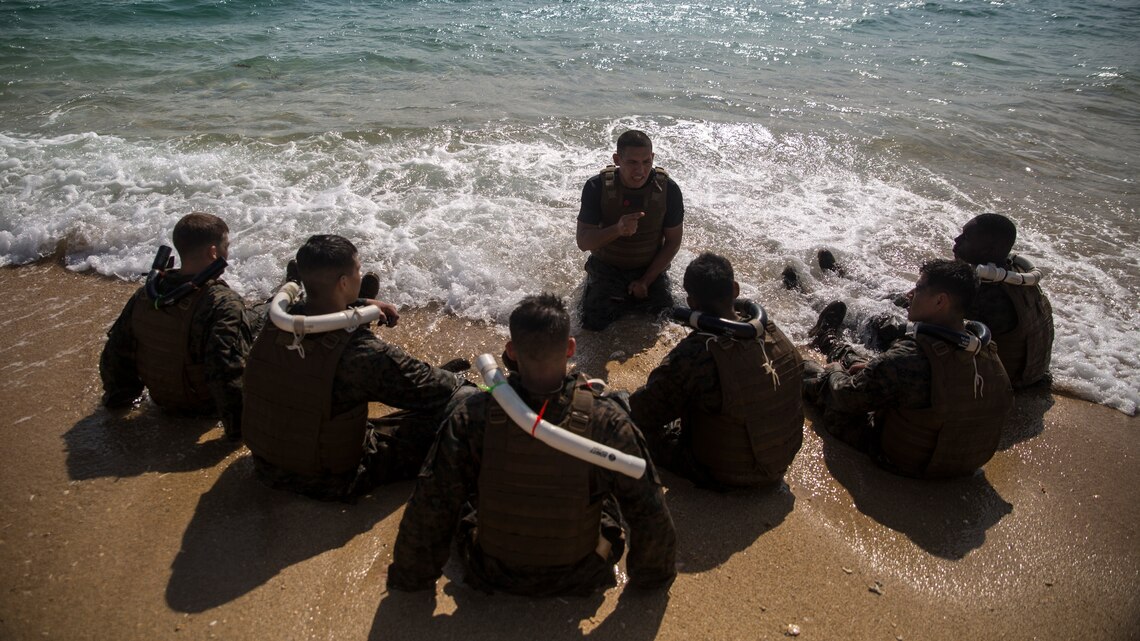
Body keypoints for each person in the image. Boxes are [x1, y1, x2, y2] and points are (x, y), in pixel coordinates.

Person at [387, 293, 677, 596]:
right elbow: (649, 511)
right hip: (582, 573)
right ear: (570, 348)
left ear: (511, 352)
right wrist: (652, 581)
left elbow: (432, 504)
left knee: (471, 493)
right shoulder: (606, 420)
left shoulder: (473, 415)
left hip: (491, 571)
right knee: (606, 492)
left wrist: (411, 577)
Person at [241, 234, 474, 500]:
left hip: (268, 464)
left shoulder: (271, 322)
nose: (360, 273)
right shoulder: (362, 354)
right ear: (343, 282)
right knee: (464, 404)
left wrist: (360, 304)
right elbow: (441, 389)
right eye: (358, 269)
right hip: (328, 478)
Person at [803, 259, 1014, 479]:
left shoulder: (908, 358)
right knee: (870, 368)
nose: (910, 294)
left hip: (905, 460)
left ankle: (828, 343)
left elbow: (846, 397)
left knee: (813, 374)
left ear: (940, 301)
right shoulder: (984, 350)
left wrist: (834, 370)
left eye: (919, 288)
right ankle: (830, 342)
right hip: (964, 462)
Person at [628, 253, 805, 490]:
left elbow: (644, 411)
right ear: (735, 289)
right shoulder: (773, 332)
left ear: (691, 303)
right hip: (779, 462)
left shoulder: (698, 353)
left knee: (624, 414)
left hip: (725, 473)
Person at [99, 212, 258, 440]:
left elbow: (115, 355)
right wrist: (239, 431)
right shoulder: (223, 303)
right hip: (203, 408)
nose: (227, 252)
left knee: (257, 315)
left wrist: (121, 400)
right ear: (213, 252)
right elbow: (226, 371)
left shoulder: (147, 296)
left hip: (163, 400)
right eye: (226, 246)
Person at [576, 130, 684, 330]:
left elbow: (673, 242)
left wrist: (645, 280)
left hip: (649, 268)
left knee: (664, 323)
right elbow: (583, 242)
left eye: (646, 162)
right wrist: (617, 229)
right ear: (617, 159)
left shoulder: (669, 190)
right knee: (592, 325)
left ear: (652, 158)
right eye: (632, 162)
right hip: (607, 267)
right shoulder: (596, 186)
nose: (640, 171)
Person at [953, 213, 1054, 388]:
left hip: (1004, 381)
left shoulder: (987, 292)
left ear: (989, 250)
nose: (957, 239)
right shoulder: (1018, 275)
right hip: (1033, 372)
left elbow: (943, 332)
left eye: (966, 237)